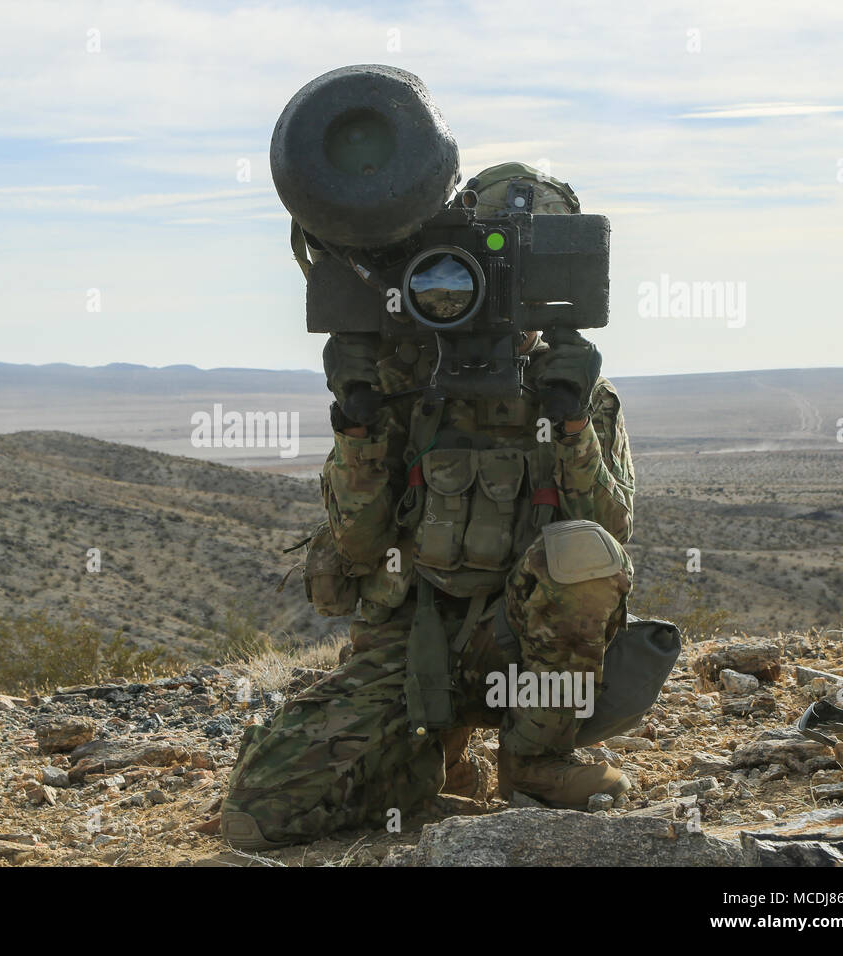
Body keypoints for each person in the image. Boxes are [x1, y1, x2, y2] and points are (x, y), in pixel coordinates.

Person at [220, 165, 638, 851]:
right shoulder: (400, 384)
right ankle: (429, 760)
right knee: (257, 814)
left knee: (580, 556)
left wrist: (569, 427)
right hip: (412, 642)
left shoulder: (580, 390)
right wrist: (358, 426)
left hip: (517, 641)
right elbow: (359, 548)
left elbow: (613, 534)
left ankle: (534, 761)